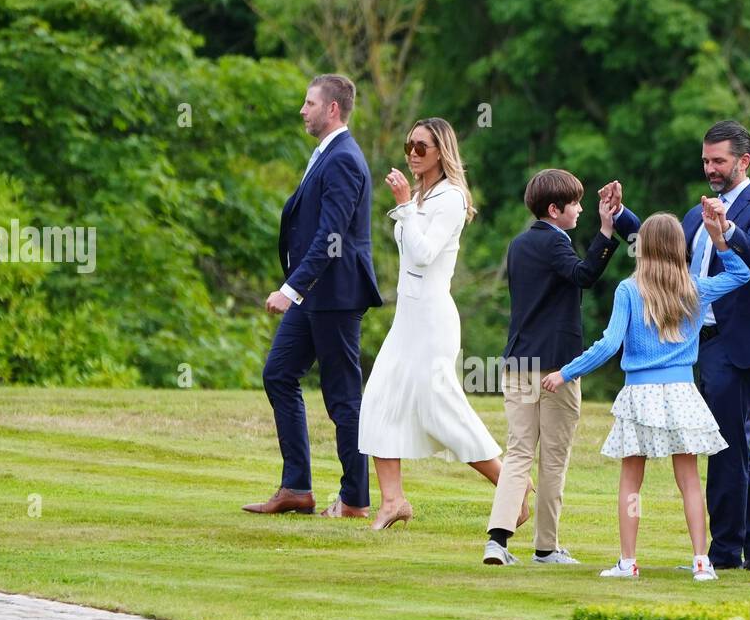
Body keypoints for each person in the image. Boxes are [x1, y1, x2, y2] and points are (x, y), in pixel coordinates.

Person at [607, 120, 750, 572]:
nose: (711, 168)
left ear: (743, 161)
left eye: (719, 161)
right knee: (733, 443)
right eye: (706, 160)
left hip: (742, 342)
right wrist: (622, 218)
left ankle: (724, 553)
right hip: (700, 345)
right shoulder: (695, 215)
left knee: (726, 445)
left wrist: (726, 230)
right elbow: (662, 251)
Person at [541, 202, 750, 581]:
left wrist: (566, 372)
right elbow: (742, 273)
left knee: (631, 483)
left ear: (643, 247)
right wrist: (719, 239)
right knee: (689, 481)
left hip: (641, 395)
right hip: (683, 392)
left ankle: (628, 562)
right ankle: (702, 562)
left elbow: (608, 345)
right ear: (679, 247)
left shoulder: (628, 290)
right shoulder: (696, 288)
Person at [358, 118, 512, 530]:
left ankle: (510, 487)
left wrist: (405, 204)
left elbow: (424, 255)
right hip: (408, 319)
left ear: (441, 152)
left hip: (432, 321)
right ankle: (392, 501)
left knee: (441, 410)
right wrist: (410, 203)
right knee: (377, 400)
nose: (411, 153)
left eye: (421, 147)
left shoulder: (451, 198)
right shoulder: (424, 197)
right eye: (409, 144)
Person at [245, 74, 383, 519]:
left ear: (332, 110)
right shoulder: (326, 153)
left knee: (342, 396)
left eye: (309, 103)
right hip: (315, 295)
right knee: (278, 373)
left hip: (335, 295)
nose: (302, 110)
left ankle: (356, 500)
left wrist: (292, 288)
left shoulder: (344, 158)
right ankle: (297, 488)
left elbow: (331, 236)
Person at [482, 170, 621, 566]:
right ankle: (545, 547)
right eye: (575, 204)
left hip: (518, 361)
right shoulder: (554, 243)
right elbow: (585, 275)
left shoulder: (519, 244)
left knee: (518, 452)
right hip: (556, 368)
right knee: (553, 457)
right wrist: (607, 233)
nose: (580, 209)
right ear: (555, 209)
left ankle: (498, 540)